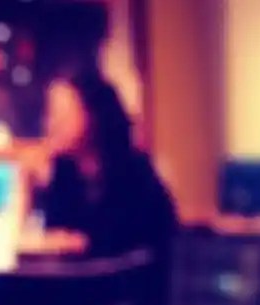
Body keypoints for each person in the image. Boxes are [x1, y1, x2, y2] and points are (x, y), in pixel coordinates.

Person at [23, 68, 178, 260]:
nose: (51, 124)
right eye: (50, 114)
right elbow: (54, 235)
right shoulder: (64, 171)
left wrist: (78, 242)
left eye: (62, 114)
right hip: (77, 283)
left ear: (94, 116)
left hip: (127, 282)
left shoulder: (133, 172)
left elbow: (127, 240)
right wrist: (27, 181)